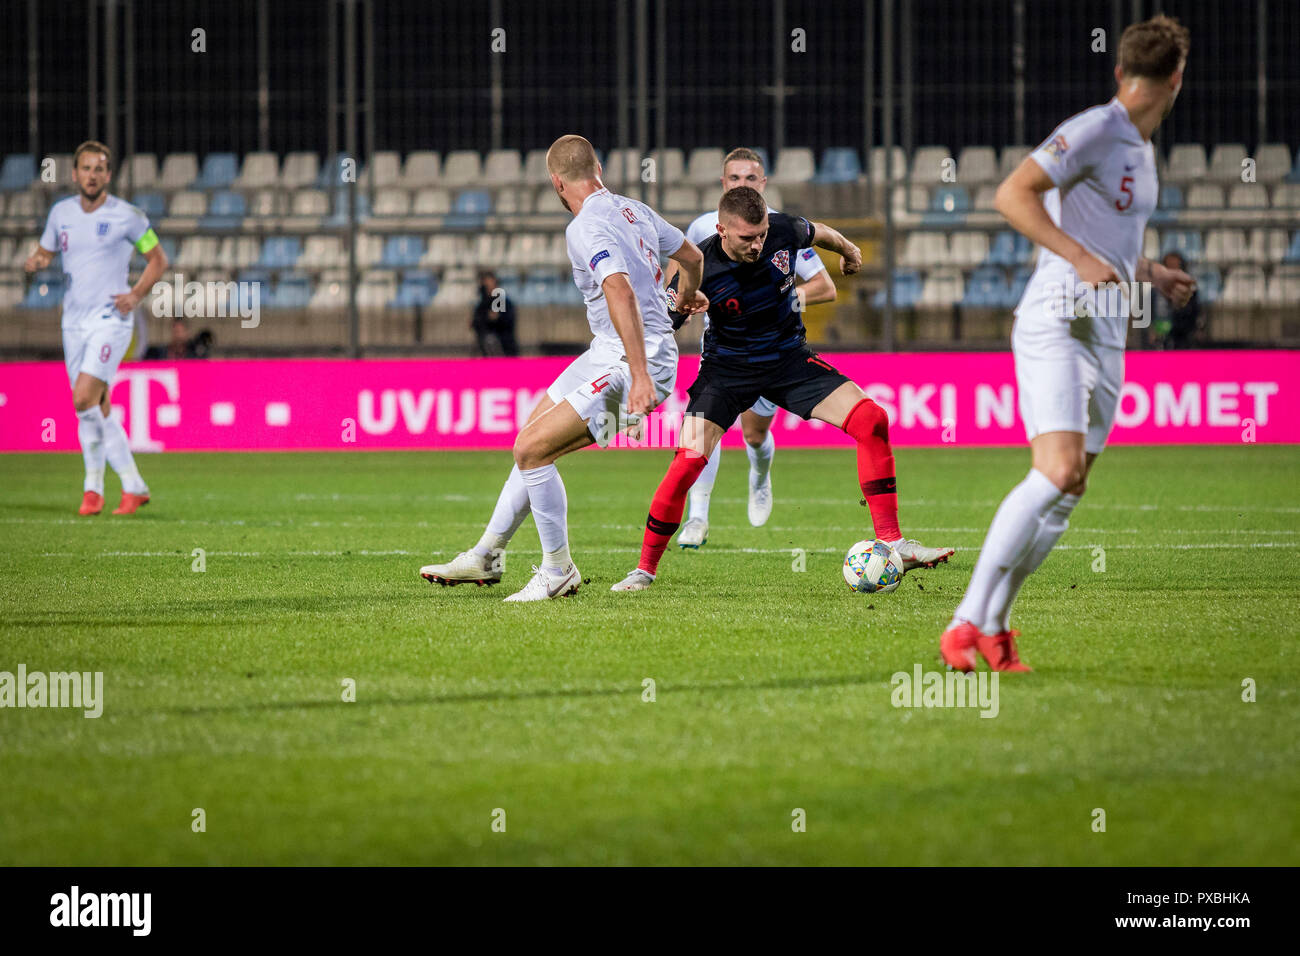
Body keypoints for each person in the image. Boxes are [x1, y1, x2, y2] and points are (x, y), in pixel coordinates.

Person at [940, 15, 1196, 672]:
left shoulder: (1139, 151)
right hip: (1057, 318)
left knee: (1071, 485)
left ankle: (997, 628)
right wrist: (1078, 256)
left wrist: (1153, 272)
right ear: (1176, 78)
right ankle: (963, 622)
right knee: (1054, 470)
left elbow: (1112, 247)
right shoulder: (1095, 129)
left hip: (1108, 332)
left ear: (1123, 71)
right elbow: (1011, 193)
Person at [611, 186, 954, 592]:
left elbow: (820, 232)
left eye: (761, 235)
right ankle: (644, 570)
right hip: (726, 370)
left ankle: (895, 542)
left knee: (872, 419)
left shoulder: (784, 230)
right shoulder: (696, 266)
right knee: (687, 462)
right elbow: (658, 335)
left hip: (789, 360)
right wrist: (638, 408)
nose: (757, 244)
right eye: (746, 238)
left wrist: (848, 250)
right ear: (721, 230)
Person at [420, 134, 704, 601]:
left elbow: (620, 291)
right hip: (611, 348)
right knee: (531, 433)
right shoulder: (633, 208)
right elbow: (691, 256)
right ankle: (488, 554)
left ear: (557, 183)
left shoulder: (584, 227)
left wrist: (638, 375)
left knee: (532, 450)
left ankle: (558, 570)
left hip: (634, 356)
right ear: (599, 170)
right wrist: (683, 297)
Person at [672, 147, 839, 548]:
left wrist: (782, 300)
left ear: (763, 184)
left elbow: (824, 286)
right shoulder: (699, 230)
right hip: (722, 350)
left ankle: (760, 476)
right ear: (723, 184)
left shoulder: (778, 229)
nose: (743, 185)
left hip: (772, 347)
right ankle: (698, 516)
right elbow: (676, 287)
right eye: (735, 179)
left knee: (754, 436)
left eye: (751, 179)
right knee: (701, 430)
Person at [24, 140, 170, 516]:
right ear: (75, 174)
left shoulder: (129, 216)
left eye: (100, 169)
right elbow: (47, 251)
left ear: (108, 175)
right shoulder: (60, 214)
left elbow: (158, 259)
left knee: (83, 397)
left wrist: (136, 295)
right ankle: (129, 487)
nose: (92, 175)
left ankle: (94, 488)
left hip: (111, 320)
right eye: (86, 169)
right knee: (95, 406)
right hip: (73, 321)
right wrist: (38, 260)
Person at [1150, 251, 1201, 348]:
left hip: (1182, 337)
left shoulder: (1190, 290)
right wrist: (1151, 329)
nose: (1171, 270)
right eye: (1168, 267)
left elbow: (1193, 314)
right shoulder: (1154, 291)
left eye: (1175, 267)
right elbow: (1148, 313)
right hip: (1158, 337)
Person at [471, 270, 518, 356]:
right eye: (485, 282)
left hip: (504, 346)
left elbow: (507, 320)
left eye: (489, 282)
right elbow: (477, 321)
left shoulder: (502, 300)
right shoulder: (483, 303)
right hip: (486, 345)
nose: (487, 285)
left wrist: (497, 318)